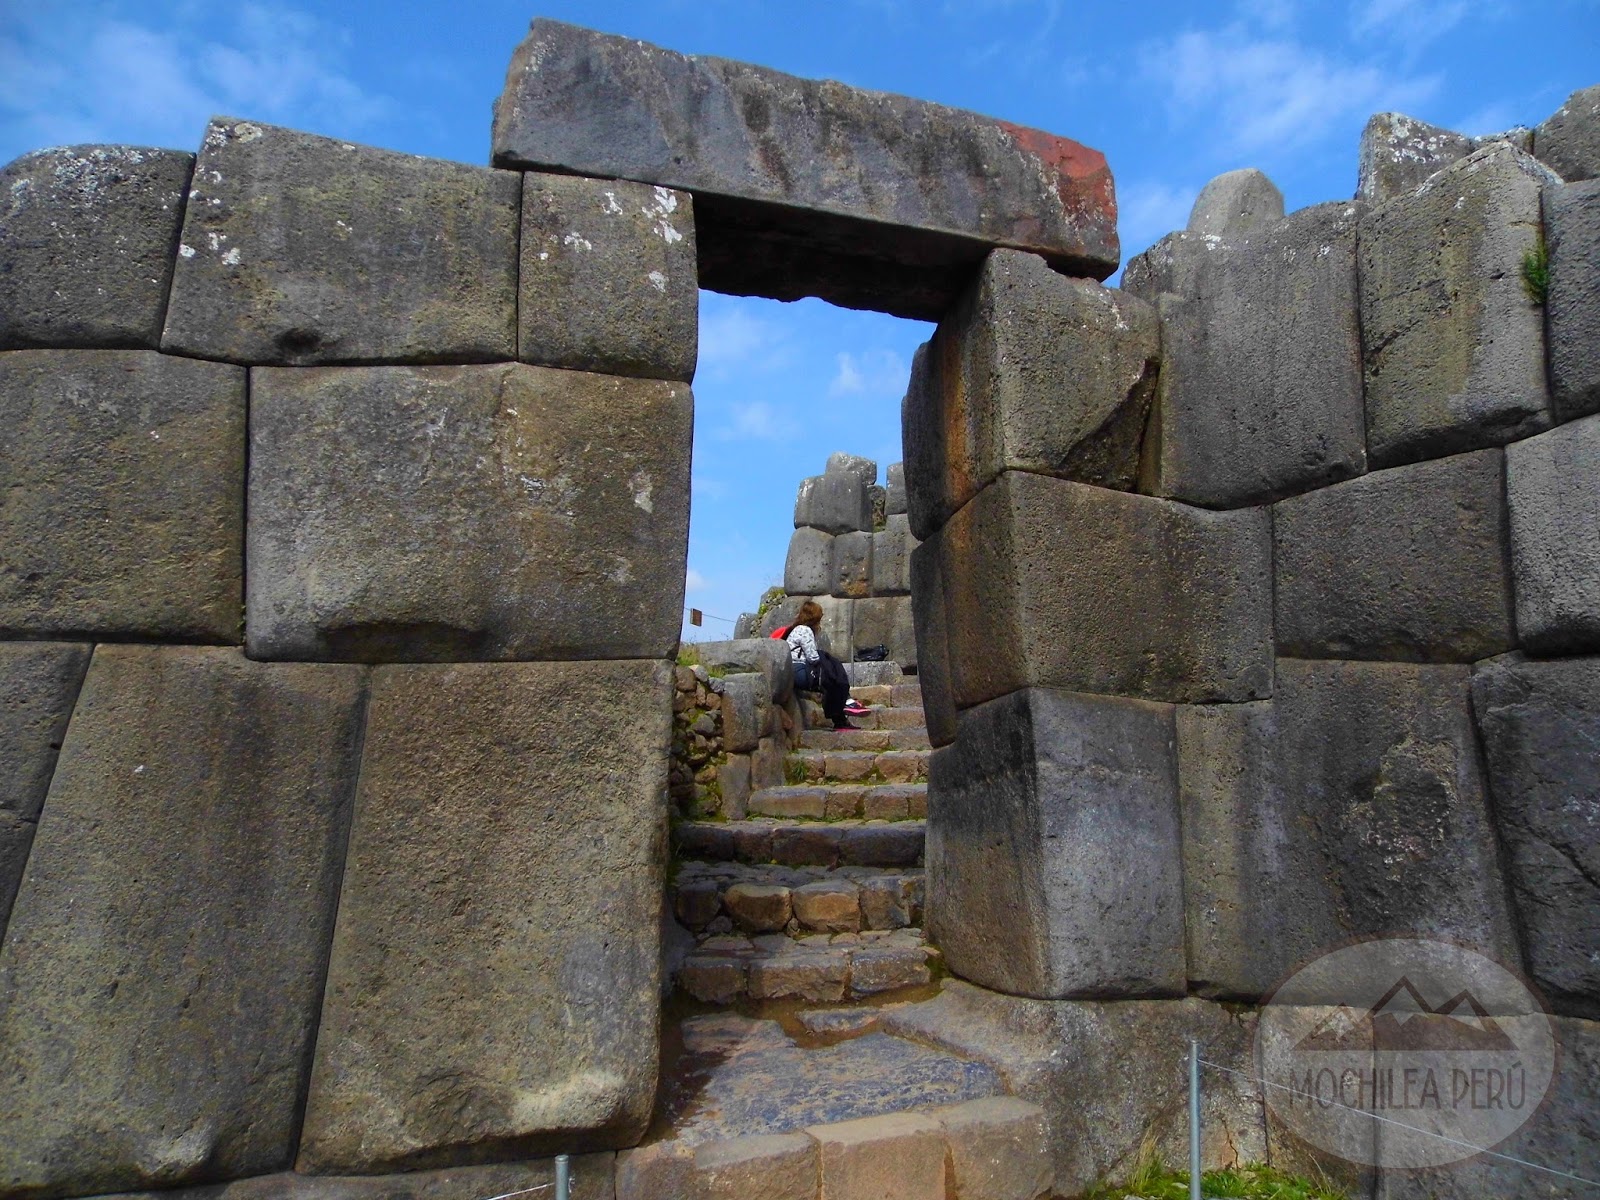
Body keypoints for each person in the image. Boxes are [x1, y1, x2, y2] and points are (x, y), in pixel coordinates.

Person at [784, 600, 857, 730]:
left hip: (796, 671)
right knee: (829, 664)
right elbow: (813, 658)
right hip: (798, 672)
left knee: (830, 678)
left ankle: (841, 718)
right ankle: (845, 703)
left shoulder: (795, 629)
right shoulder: (804, 630)